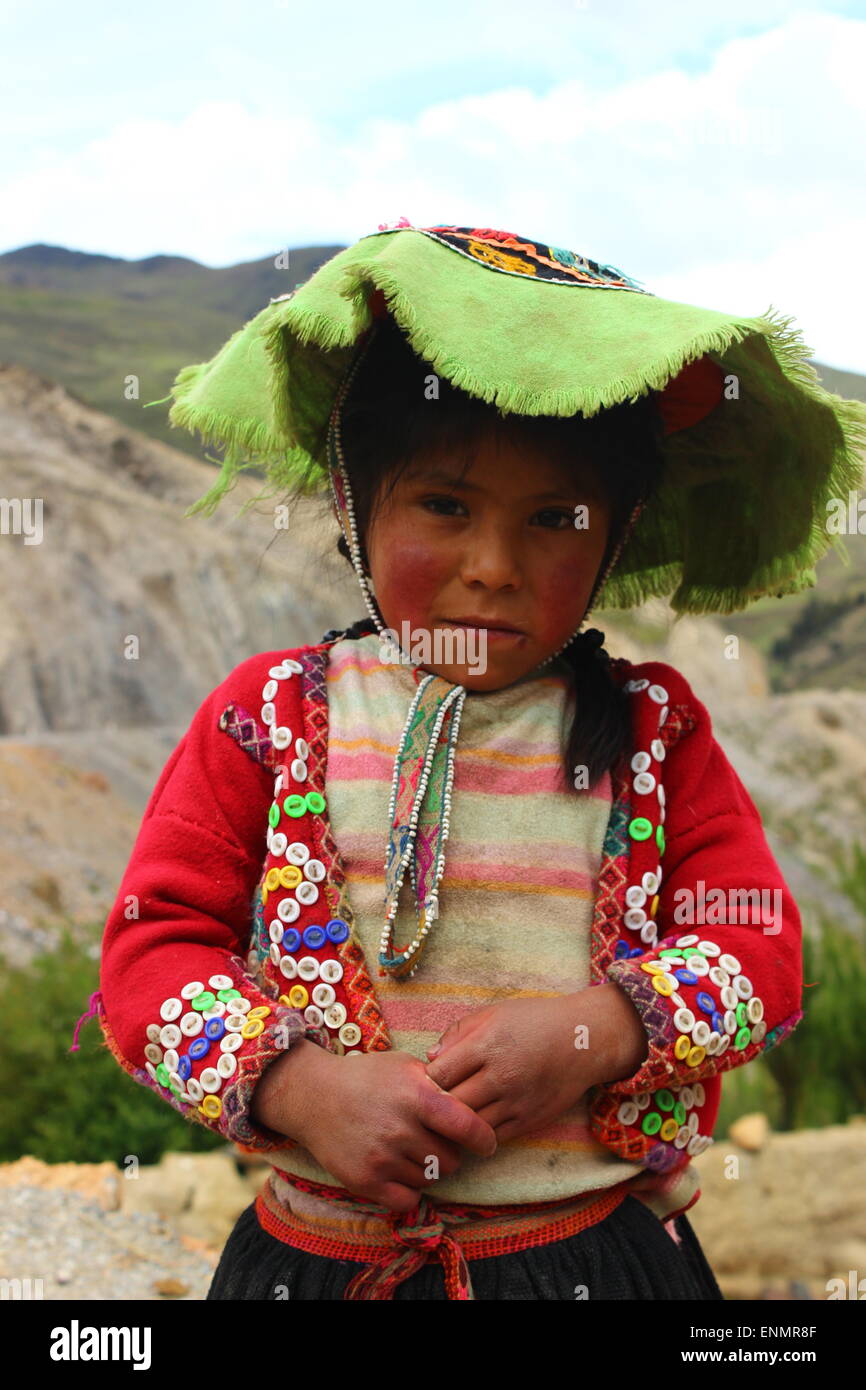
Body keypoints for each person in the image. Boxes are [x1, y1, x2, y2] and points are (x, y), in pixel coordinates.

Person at [74, 223, 866, 1300]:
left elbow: (757, 947)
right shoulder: (264, 717)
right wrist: (304, 1092)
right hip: (319, 1265)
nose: (492, 568)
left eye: (553, 519)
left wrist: (595, 1028)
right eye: (444, 506)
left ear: (615, 535)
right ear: (358, 503)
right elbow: (150, 951)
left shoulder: (652, 734)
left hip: (590, 1259)